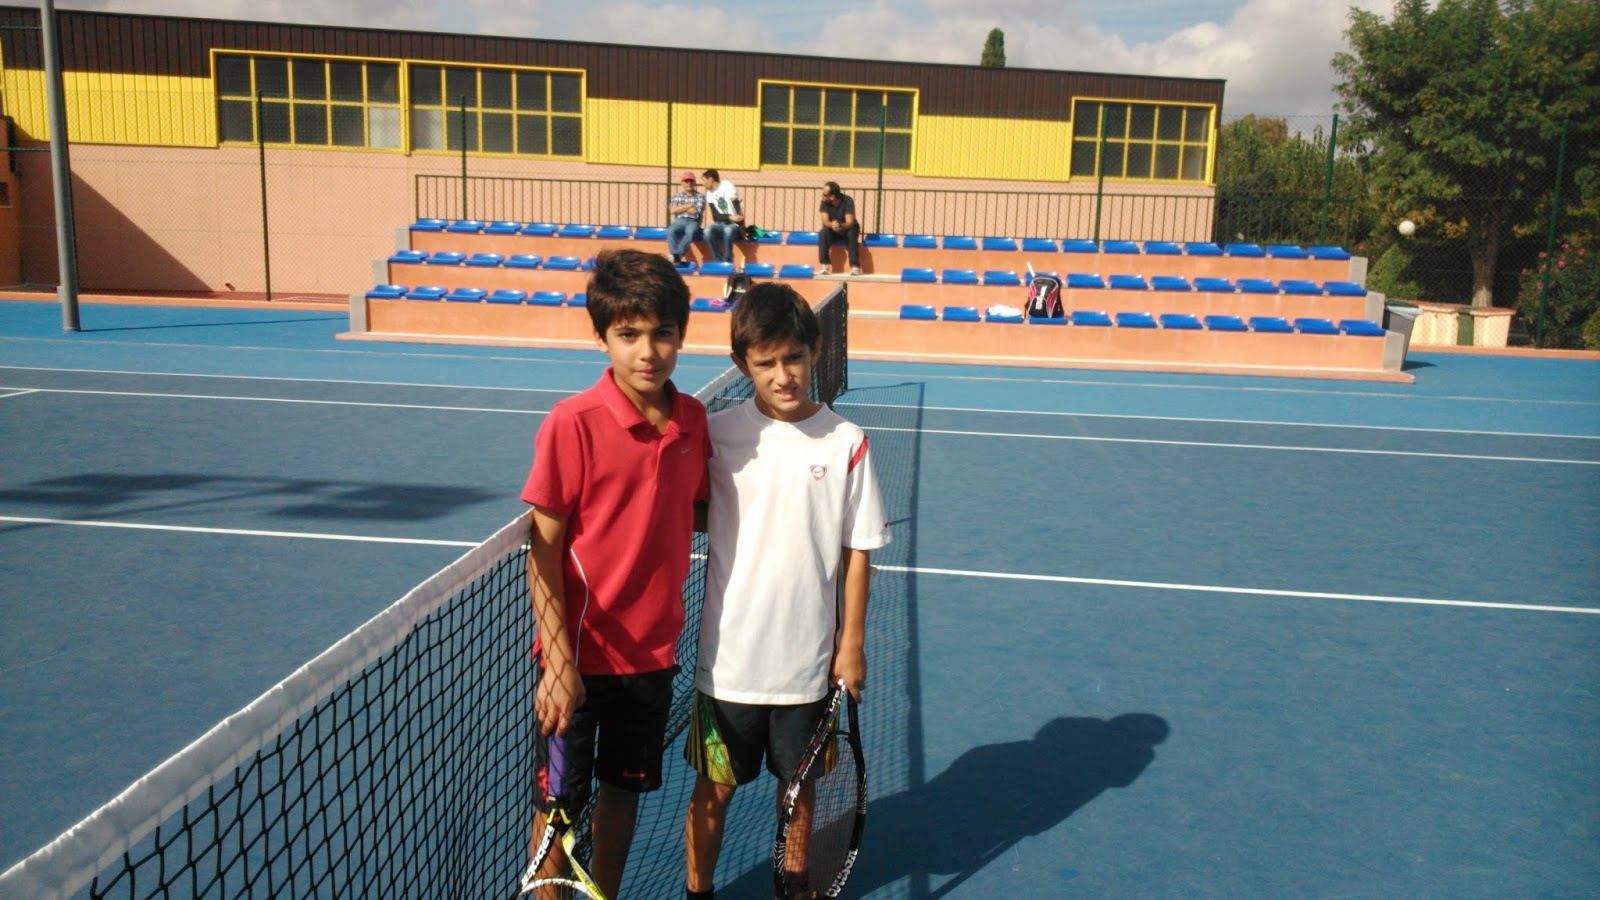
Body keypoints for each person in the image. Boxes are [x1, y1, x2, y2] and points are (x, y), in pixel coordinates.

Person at [681, 282, 891, 900]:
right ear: (742, 365)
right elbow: (679, 508)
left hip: (809, 667)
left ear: (816, 350)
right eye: (766, 362)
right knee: (711, 792)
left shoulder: (847, 442)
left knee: (799, 792)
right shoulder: (717, 436)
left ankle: (794, 886)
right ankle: (699, 892)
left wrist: (850, 644)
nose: (783, 375)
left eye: (793, 358)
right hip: (728, 666)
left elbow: (859, 552)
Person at [522, 247, 711, 899]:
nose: (647, 350)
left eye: (662, 332)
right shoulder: (571, 423)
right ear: (602, 336)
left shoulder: (693, 422)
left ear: (682, 335)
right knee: (558, 810)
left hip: (652, 661)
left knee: (623, 799)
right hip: (576, 664)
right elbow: (540, 546)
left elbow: (703, 508)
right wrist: (558, 662)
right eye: (629, 334)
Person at [701, 168, 746, 265]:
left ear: (711, 179)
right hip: (721, 222)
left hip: (734, 224)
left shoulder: (727, 186)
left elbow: (737, 207)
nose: (703, 184)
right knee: (707, 231)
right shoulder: (709, 194)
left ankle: (727, 260)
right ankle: (718, 259)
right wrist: (729, 216)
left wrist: (740, 222)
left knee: (728, 230)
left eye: (704, 181)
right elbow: (715, 216)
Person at [817, 181, 862, 276]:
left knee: (851, 233)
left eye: (824, 194)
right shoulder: (824, 202)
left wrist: (840, 226)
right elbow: (825, 221)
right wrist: (832, 225)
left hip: (847, 228)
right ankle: (825, 265)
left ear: (832, 196)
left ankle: (855, 267)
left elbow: (850, 221)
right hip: (832, 229)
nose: (822, 196)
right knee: (824, 232)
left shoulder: (848, 201)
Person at [667, 171, 706, 265]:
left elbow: (695, 212)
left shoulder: (700, 197)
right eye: (686, 181)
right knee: (670, 231)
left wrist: (680, 207)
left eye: (691, 181)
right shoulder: (677, 196)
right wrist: (689, 205)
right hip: (679, 221)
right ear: (682, 183)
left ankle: (676, 256)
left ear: (694, 183)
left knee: (690, 232)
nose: (689, 183)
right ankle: (676, 257)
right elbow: (672, 211)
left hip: (693, 221)